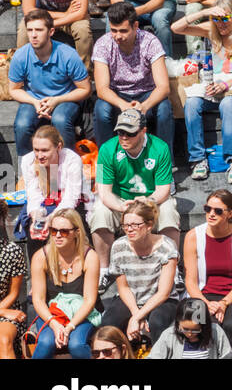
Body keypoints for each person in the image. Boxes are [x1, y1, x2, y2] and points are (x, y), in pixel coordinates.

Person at [172, 0, 232, 181]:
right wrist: (204, 13)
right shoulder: (211, 31)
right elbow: (175, 28)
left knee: (227, 104)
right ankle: (198, 159)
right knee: (192, 103)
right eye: (216, 19)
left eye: (225, 18)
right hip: (211, 86)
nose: (221, 24)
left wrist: (225, 85)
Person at [89, 105, 180, 266]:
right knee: (100, 212)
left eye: (130, 133)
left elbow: (164, 189)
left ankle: (172, 266)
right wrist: (121, 206)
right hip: (119, 198)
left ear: (143, 131)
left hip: (151, 199)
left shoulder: (161, 148)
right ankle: (103, 269)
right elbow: (103, 191)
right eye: (120, 132)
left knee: (168, 212)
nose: (124, 137)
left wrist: (148, 201)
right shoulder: (106, 149)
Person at [10, 8, 91, 156]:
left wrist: (57, 100)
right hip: (34, 99)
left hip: (64, 99)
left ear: (51, 32)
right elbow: (14, 89)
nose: (33, 35)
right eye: (30, 30)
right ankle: (27, 170)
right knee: (22, 124)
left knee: (60, 119)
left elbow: (85, 89)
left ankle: (66, 167)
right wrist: (34, 102)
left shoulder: (67, 54)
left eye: (39, 30)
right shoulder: (21, 55)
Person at [91, 2, 171, 150]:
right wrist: (123, 105)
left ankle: (166, 164)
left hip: (146, 93)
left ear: (135, 26)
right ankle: (104, 164)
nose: (117, 36)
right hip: (117, 94)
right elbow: (102, 89)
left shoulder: (150, 42)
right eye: (114, 30)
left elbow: (164, 87)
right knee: (101, 109)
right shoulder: (103, 44)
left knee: (164, 108)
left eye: (123, 31)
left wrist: (145, 106)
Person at [101, 198, 181, 345]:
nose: (129, 229)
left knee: (158, 322)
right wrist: (136, 313)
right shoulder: (119, 246)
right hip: (131, 298)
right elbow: (123, 287)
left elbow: (164, 292)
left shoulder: (167, 246)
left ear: (149, 225)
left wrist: (137, 317)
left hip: (161, 299)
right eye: (125, 225)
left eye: (135, 225)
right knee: (109, 322)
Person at [182, 187, 232, 346]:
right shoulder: (193, 236)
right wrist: (205, 304)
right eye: (207, 209)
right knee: (197, 324)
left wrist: (224, 303)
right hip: (202, 293)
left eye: (218, 211)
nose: (211, 214)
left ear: (230, 213)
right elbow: (191, 282)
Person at [29, 209, 99, 358]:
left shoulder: (89, 256)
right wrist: (54, 323)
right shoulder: (41, 256)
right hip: (52, 313)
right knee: (46, 343)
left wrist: (70, 327)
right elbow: (38, 299)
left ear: (77, 232)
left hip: (81, 314)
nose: (58, 235)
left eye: (64, 231)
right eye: (53, 231)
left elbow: (89, 300)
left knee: (77, 344)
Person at [20, 126, 86, 239]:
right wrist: (37, 217)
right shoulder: (28, 160)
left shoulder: (72, 159)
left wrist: (52, 218)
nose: (39, 156)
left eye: (45, 150)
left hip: (70, 204)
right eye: (36, 150)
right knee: (34, 225)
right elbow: (33, 196)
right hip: (44, 202)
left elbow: (71, 198)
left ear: (59, 147)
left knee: (61, 224)